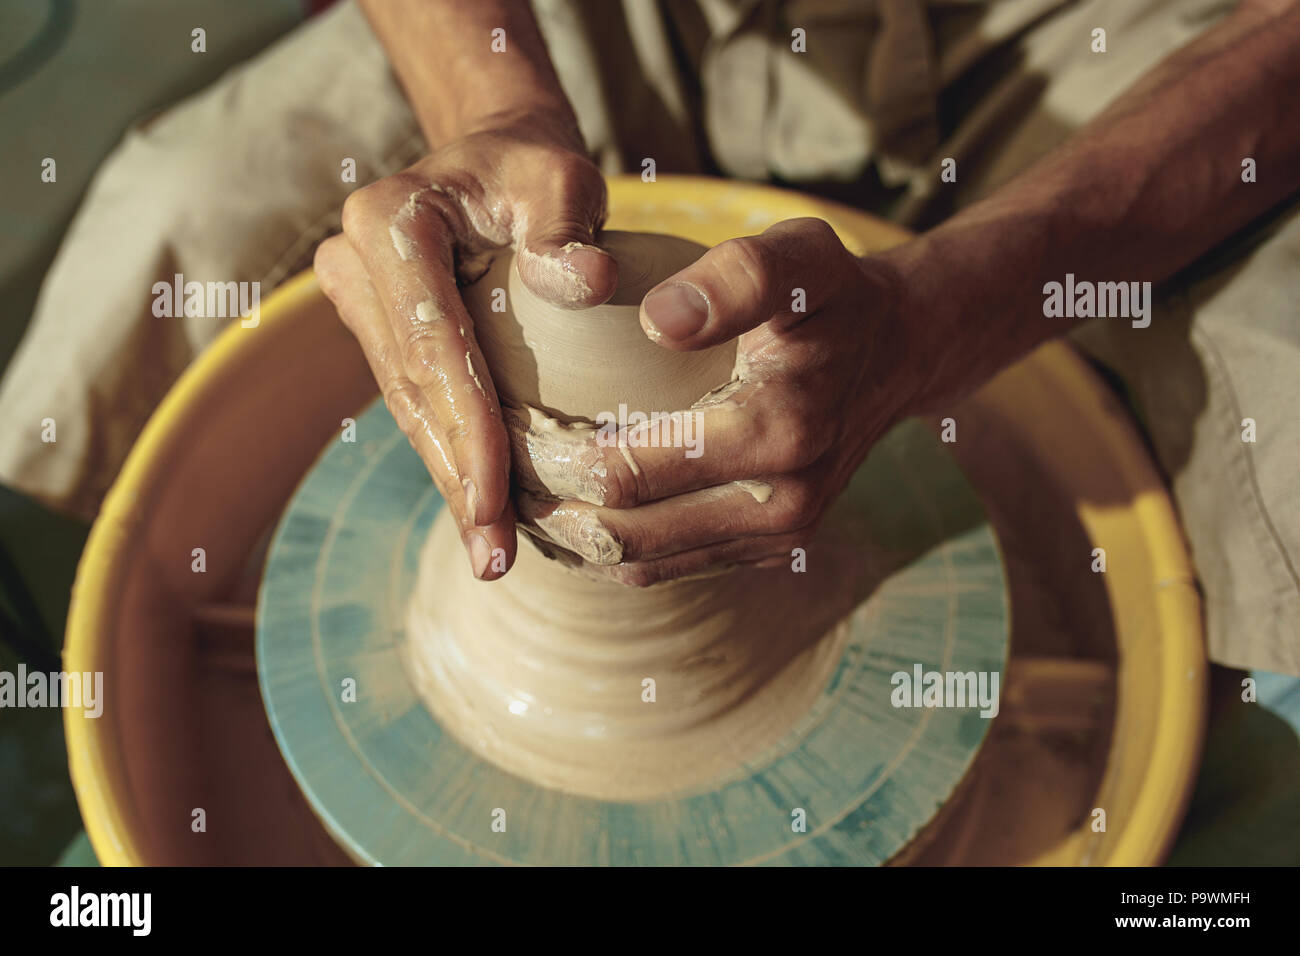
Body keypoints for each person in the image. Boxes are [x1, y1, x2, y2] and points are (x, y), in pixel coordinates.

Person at [2, 0, 1297, 675]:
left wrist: (943, 316)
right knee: (184, 221)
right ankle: (66, 674)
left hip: (1104, 40)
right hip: (632, 13)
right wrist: (496, 100)